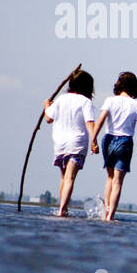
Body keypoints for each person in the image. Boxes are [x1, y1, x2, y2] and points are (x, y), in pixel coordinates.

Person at [89, 72, 137, 222]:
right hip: (125, 142)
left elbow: (101, 120)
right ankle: (110, 216)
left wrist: (93, 139)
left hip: (108, 139)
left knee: (109, 177)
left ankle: (105, 212)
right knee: (118, 182)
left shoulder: (110, 101)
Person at [42, 69, 95, 217]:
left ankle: (62, 208)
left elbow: (48, 119)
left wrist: (46, 106)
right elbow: (90, 123)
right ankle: (62, 210)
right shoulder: (86, 102)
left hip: (60, 143)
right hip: (76, 144)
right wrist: (94, 141)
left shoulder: (61, 99)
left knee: (63, 177)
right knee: (70, 177)